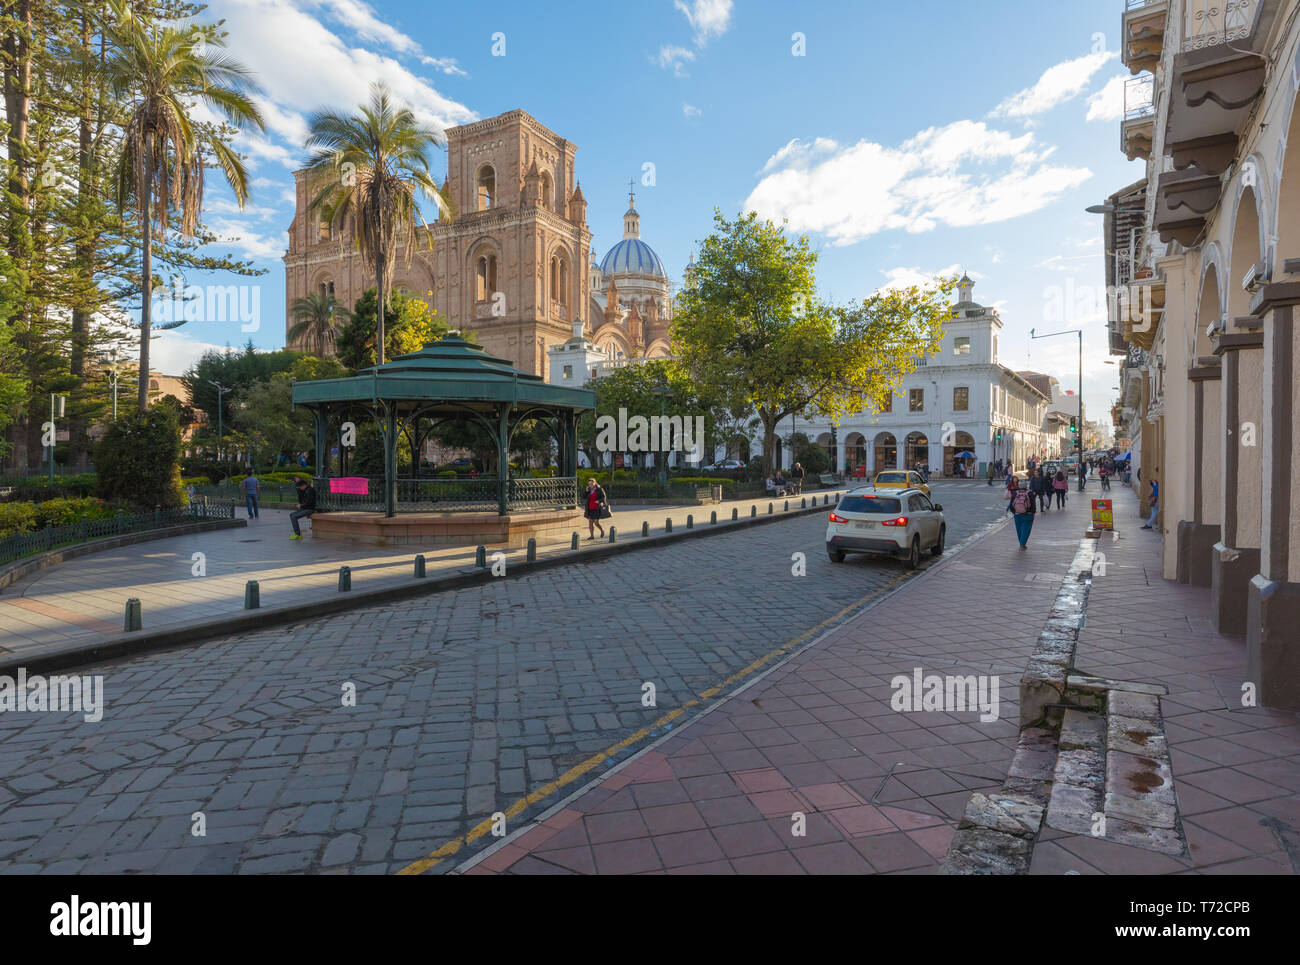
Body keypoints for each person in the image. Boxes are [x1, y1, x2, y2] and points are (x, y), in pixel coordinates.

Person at [1008, 475, 1036, 549]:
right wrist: (1033, 512)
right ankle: (1022, 544)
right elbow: (1033, 504)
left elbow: (1011, 505)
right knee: (1026, 529)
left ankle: (1021, 542)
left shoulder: (1015, 493)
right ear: (1026, 486)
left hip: (1017, 514)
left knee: (1019, 529)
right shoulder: (1030, 493)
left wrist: (1014, 512)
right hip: (1028, 514)